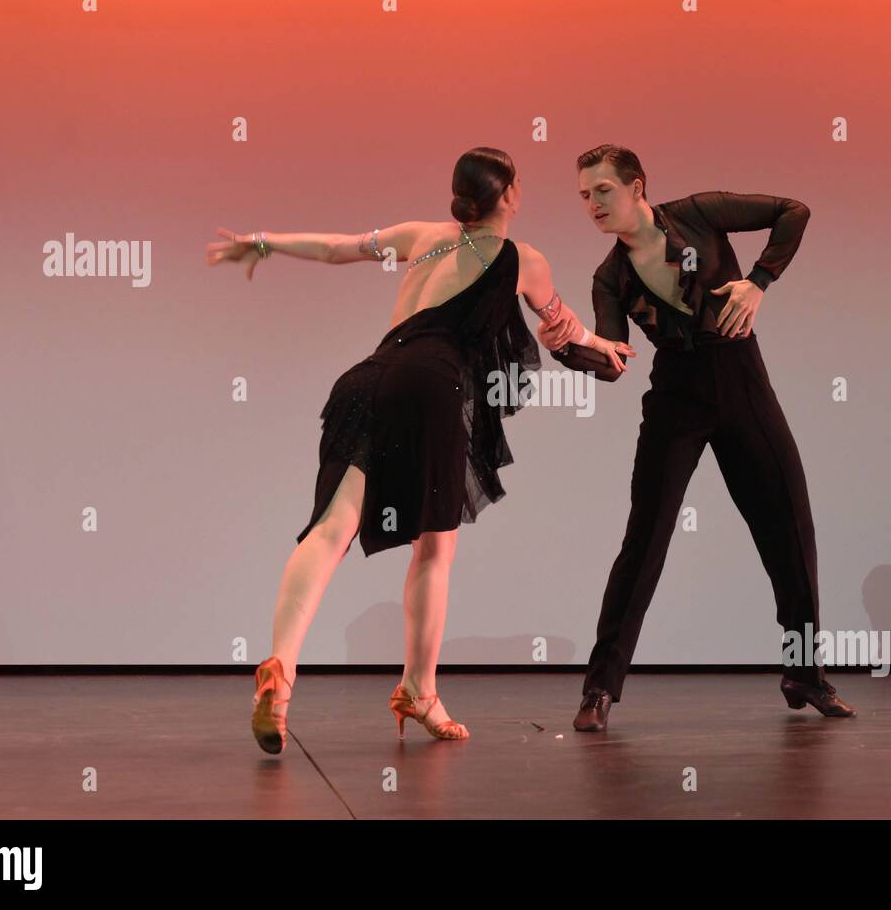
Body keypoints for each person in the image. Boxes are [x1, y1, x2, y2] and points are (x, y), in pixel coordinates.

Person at [206, 147, 635, 752]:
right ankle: (419, 689)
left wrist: (263, 240)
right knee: (434, 549)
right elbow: (563, 324)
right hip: (434, 387)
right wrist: (608, 345)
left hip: (369, 377)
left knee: (329, 532)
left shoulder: (421, 235)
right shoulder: (524, 260)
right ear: (509, 195)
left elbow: (336, 248)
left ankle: (280, 670)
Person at [538, 144, 855, 730]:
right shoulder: (609, 278)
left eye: (602, 191)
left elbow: (794, 210)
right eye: (584, 196)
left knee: (789, 528)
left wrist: (758, 281)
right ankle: (599, 691)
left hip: (741, 380)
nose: (593, 205)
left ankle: (804, 673)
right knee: (645, 540)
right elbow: (614, 360)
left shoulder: (700, 212)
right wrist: (567, 350)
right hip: (676, 396)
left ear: (637, 187)